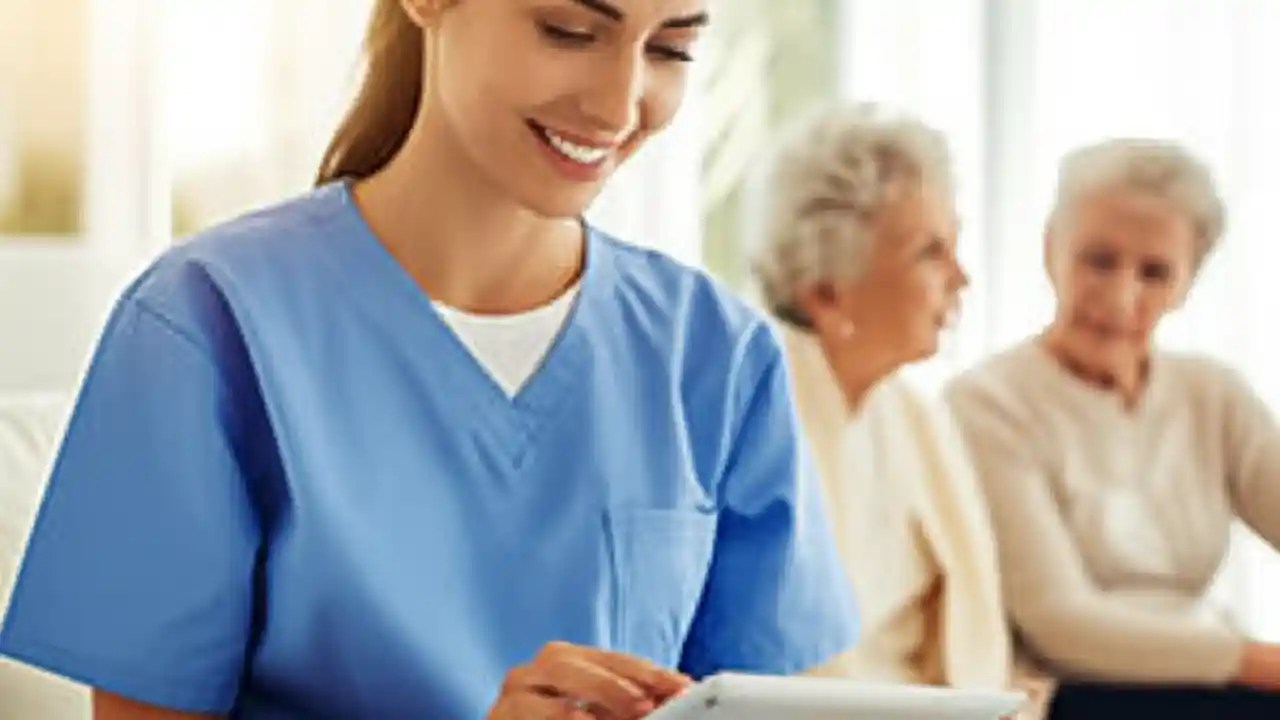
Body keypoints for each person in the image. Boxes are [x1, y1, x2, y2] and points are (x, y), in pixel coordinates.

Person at [0, 1, 859, 718]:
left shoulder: (715, 356)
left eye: (670, 48)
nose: (619, 105)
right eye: (567, 30)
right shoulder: (206, 323)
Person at [947, 138, 1280, 719]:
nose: (1121, 296)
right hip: (1069, 690)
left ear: (1188, 283)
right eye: (1099, 260)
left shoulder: (1214, 394)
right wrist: (1256, 661)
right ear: (1051, 250)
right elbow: (1062, 623)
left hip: (1214, 684)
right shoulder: (987, 404)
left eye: (1155, 273)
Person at [752, 103, 1041, 715]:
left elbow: (963, 645)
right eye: (929, 253)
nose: (960, 278)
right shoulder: (751, 415)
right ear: (827, 291)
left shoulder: (916, 416)